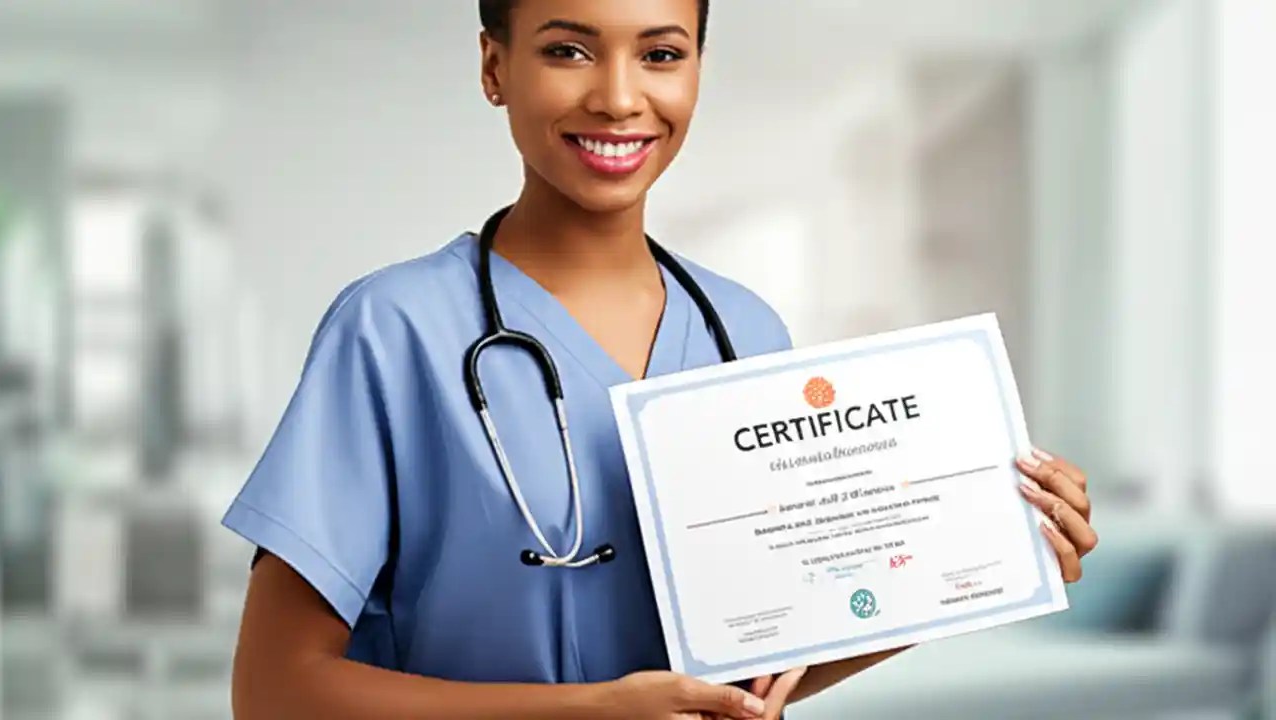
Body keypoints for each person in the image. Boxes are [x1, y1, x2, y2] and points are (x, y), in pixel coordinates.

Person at [223, 1, 1100, 718]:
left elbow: (757, 668)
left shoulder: (743, 331)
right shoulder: (392, 330)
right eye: (568, 50)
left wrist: (989, 555)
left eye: (660, 54)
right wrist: (591, 714)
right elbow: (274, 691)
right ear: (494, 68)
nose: (618, 98)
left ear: (696, 72)